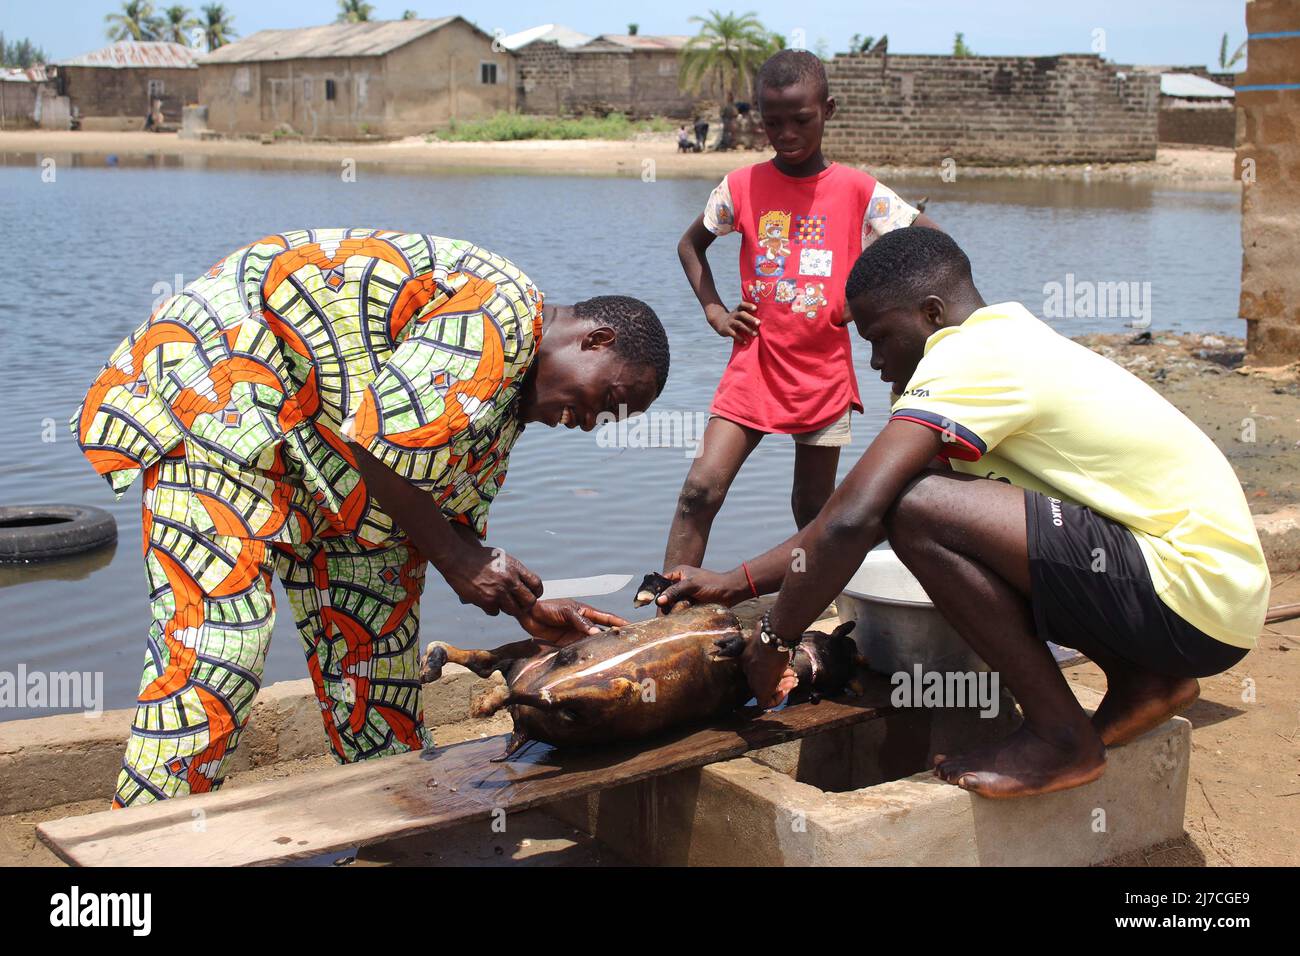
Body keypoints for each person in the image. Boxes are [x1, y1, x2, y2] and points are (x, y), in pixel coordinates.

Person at [656, 227, 1268, 798]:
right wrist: (736, 584)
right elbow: (848, 517)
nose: (874, 364)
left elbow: (857, 516)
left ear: (931, 313)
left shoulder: (971, 355)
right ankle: (1146, 684)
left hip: (1187, 595)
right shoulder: (1004, 343)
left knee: (914, 505)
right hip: (1210, 604)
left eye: (878, 338)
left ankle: (1062, 738)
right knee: (913, 496)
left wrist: (774, 637)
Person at [71, 228, 670, 807]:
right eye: (607, 400)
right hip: (219, 399)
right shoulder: (499, 312)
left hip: (325, 454)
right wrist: (460, 560)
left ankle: (394, 818)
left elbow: (432, 507)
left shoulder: (508, 400)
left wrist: (527, 608)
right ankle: (148, 847)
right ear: (595, 339)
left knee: (378, 664)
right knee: (221, 649)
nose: (589, 423)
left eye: (610, 421)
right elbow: (380, 442)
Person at [664, 49, 939, 583]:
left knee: (812, 509)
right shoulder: (741, 186)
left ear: (828, 110)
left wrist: (865, 302)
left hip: (823, 376)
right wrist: (716, 311)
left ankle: (809, 612)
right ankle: (669, 611)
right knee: (701, 488)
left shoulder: (858, 191)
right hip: (753, 367)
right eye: (772, 123)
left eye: (800, 120)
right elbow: (690, 245)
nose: (785, 133)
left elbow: (930, 244)